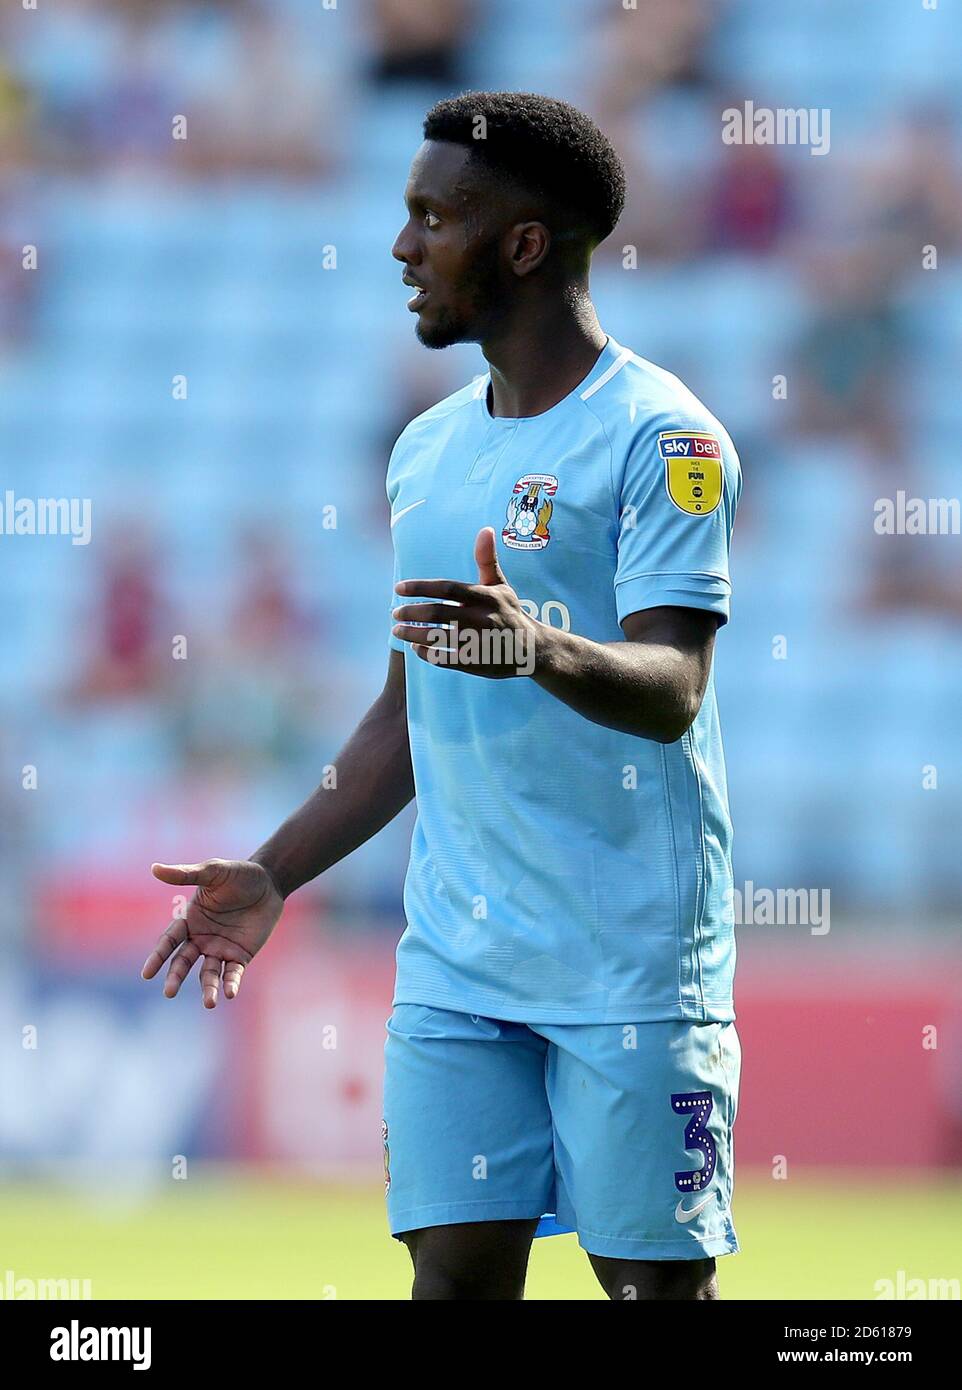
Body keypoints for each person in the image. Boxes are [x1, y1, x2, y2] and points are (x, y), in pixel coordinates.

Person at [143, 91, 743, 1301]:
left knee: (651, 1298)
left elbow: (674, 687)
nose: (402, 246)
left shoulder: (661, 439)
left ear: (522, 242)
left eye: (432, 216)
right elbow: (403, 712)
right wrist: (275, 869)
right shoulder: (424, 451)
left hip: (626, 967)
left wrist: (538, 648)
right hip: (459, 968)